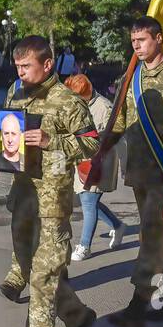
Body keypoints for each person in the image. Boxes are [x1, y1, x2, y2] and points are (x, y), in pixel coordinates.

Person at [0, 35, 100, 327]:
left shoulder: (67, 101)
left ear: (47, 64)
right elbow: (6, 128)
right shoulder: (15, 91)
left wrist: (54, 141)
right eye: (17, 66)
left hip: (52, 200)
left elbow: (93, 144)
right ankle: (77, 316)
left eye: (26, 66)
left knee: (44, 274)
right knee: (25, 262)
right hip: (22, 195)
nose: (20, 72)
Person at [90, 17, 163, 327]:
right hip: (138, 172)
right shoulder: (132, 76)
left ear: (159, 39)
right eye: (133, 40)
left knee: (152, 237)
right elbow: (118, 120)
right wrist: (99, 151)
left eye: (142, 40)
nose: (137, 45)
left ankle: (138, 305)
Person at [65, 74, 124, 262]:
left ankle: (84, 246)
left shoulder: (104, 107)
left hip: (98, 163)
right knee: (89, 201)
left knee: (89, 202)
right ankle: (117, 225)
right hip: (81, 162)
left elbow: (109, 138)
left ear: (87, 92)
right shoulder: (78, 106)